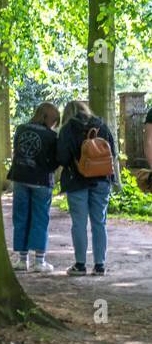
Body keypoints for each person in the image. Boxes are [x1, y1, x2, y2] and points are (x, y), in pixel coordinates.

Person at [56, 100, 116, 277]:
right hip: (102, 180)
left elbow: (62, 157)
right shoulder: (102, 125)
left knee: (79, 223)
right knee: (99, 222)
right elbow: (113, 151)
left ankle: (80, 265)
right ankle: (100, 265)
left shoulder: (67, 129)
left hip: (77, 181)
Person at [6, 102, 60, 273]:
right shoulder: (52, 136)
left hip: (20, 177)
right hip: (42, 180)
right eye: (55, 120)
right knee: (40, 219)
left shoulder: (21, 129)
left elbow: (17, 151)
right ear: (49, 118)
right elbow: (56, 158)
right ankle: (39, 261)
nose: (54, 124)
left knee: (21, 217)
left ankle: (22, 260)